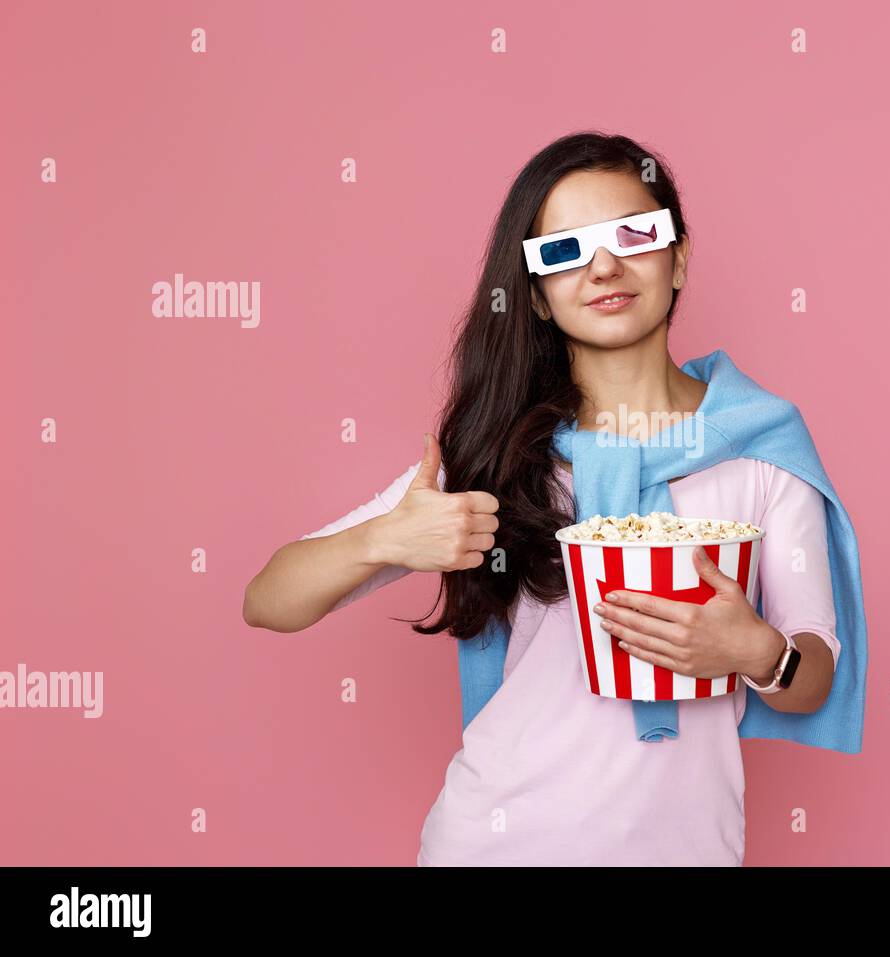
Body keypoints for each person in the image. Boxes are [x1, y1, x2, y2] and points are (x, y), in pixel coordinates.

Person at [242, 131, 840, 866]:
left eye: (634, 233)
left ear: (679, 257)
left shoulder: (761, 448)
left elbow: (813, 674)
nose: (604, 266)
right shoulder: (493, 458)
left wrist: (759, 652)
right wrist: (385, 539)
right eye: (563, 251)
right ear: (536, 294)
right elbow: (267, 599)